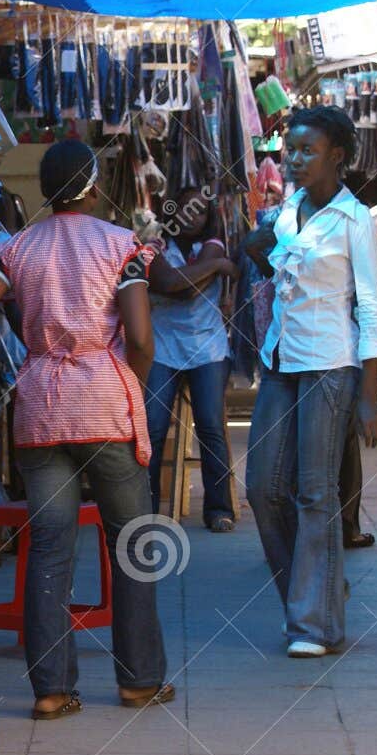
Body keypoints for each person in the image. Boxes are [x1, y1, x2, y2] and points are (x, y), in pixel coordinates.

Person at [0, 139, 174, 720]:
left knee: (50, 549)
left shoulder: (15, 249)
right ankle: (139, 681)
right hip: (107, 408)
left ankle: (52, 690)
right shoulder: (122, 247)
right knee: (130, 544)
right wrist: (126, 383)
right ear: (93, 184)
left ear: (47, 189)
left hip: (41, 412)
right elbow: (138, 337)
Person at [243, 107, 377, 658]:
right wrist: (259, 251)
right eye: (290, 151)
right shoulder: (288, 211)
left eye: (307, 151)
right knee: (262, 487)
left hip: (331, 365)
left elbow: (373, 307)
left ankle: (314, 624)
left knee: (314, 493)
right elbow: (284, 273)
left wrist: (370, 398)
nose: (295, 160)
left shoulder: (354, 220)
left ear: (337, 157)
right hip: (280, 362)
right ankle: (320, 592)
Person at [145, 187, 240, 530]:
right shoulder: (157, 245)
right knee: (152, 430)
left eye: (199, 212)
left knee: (211, 427)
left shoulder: (212, 245)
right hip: (163, 346)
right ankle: (149, 510)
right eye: (185, 209)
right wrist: (216, 267)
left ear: (208, 217)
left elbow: (178, 286)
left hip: (208, 349)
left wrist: (205, 265)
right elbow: (177, 285)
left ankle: (219, 510)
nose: (192, 217)